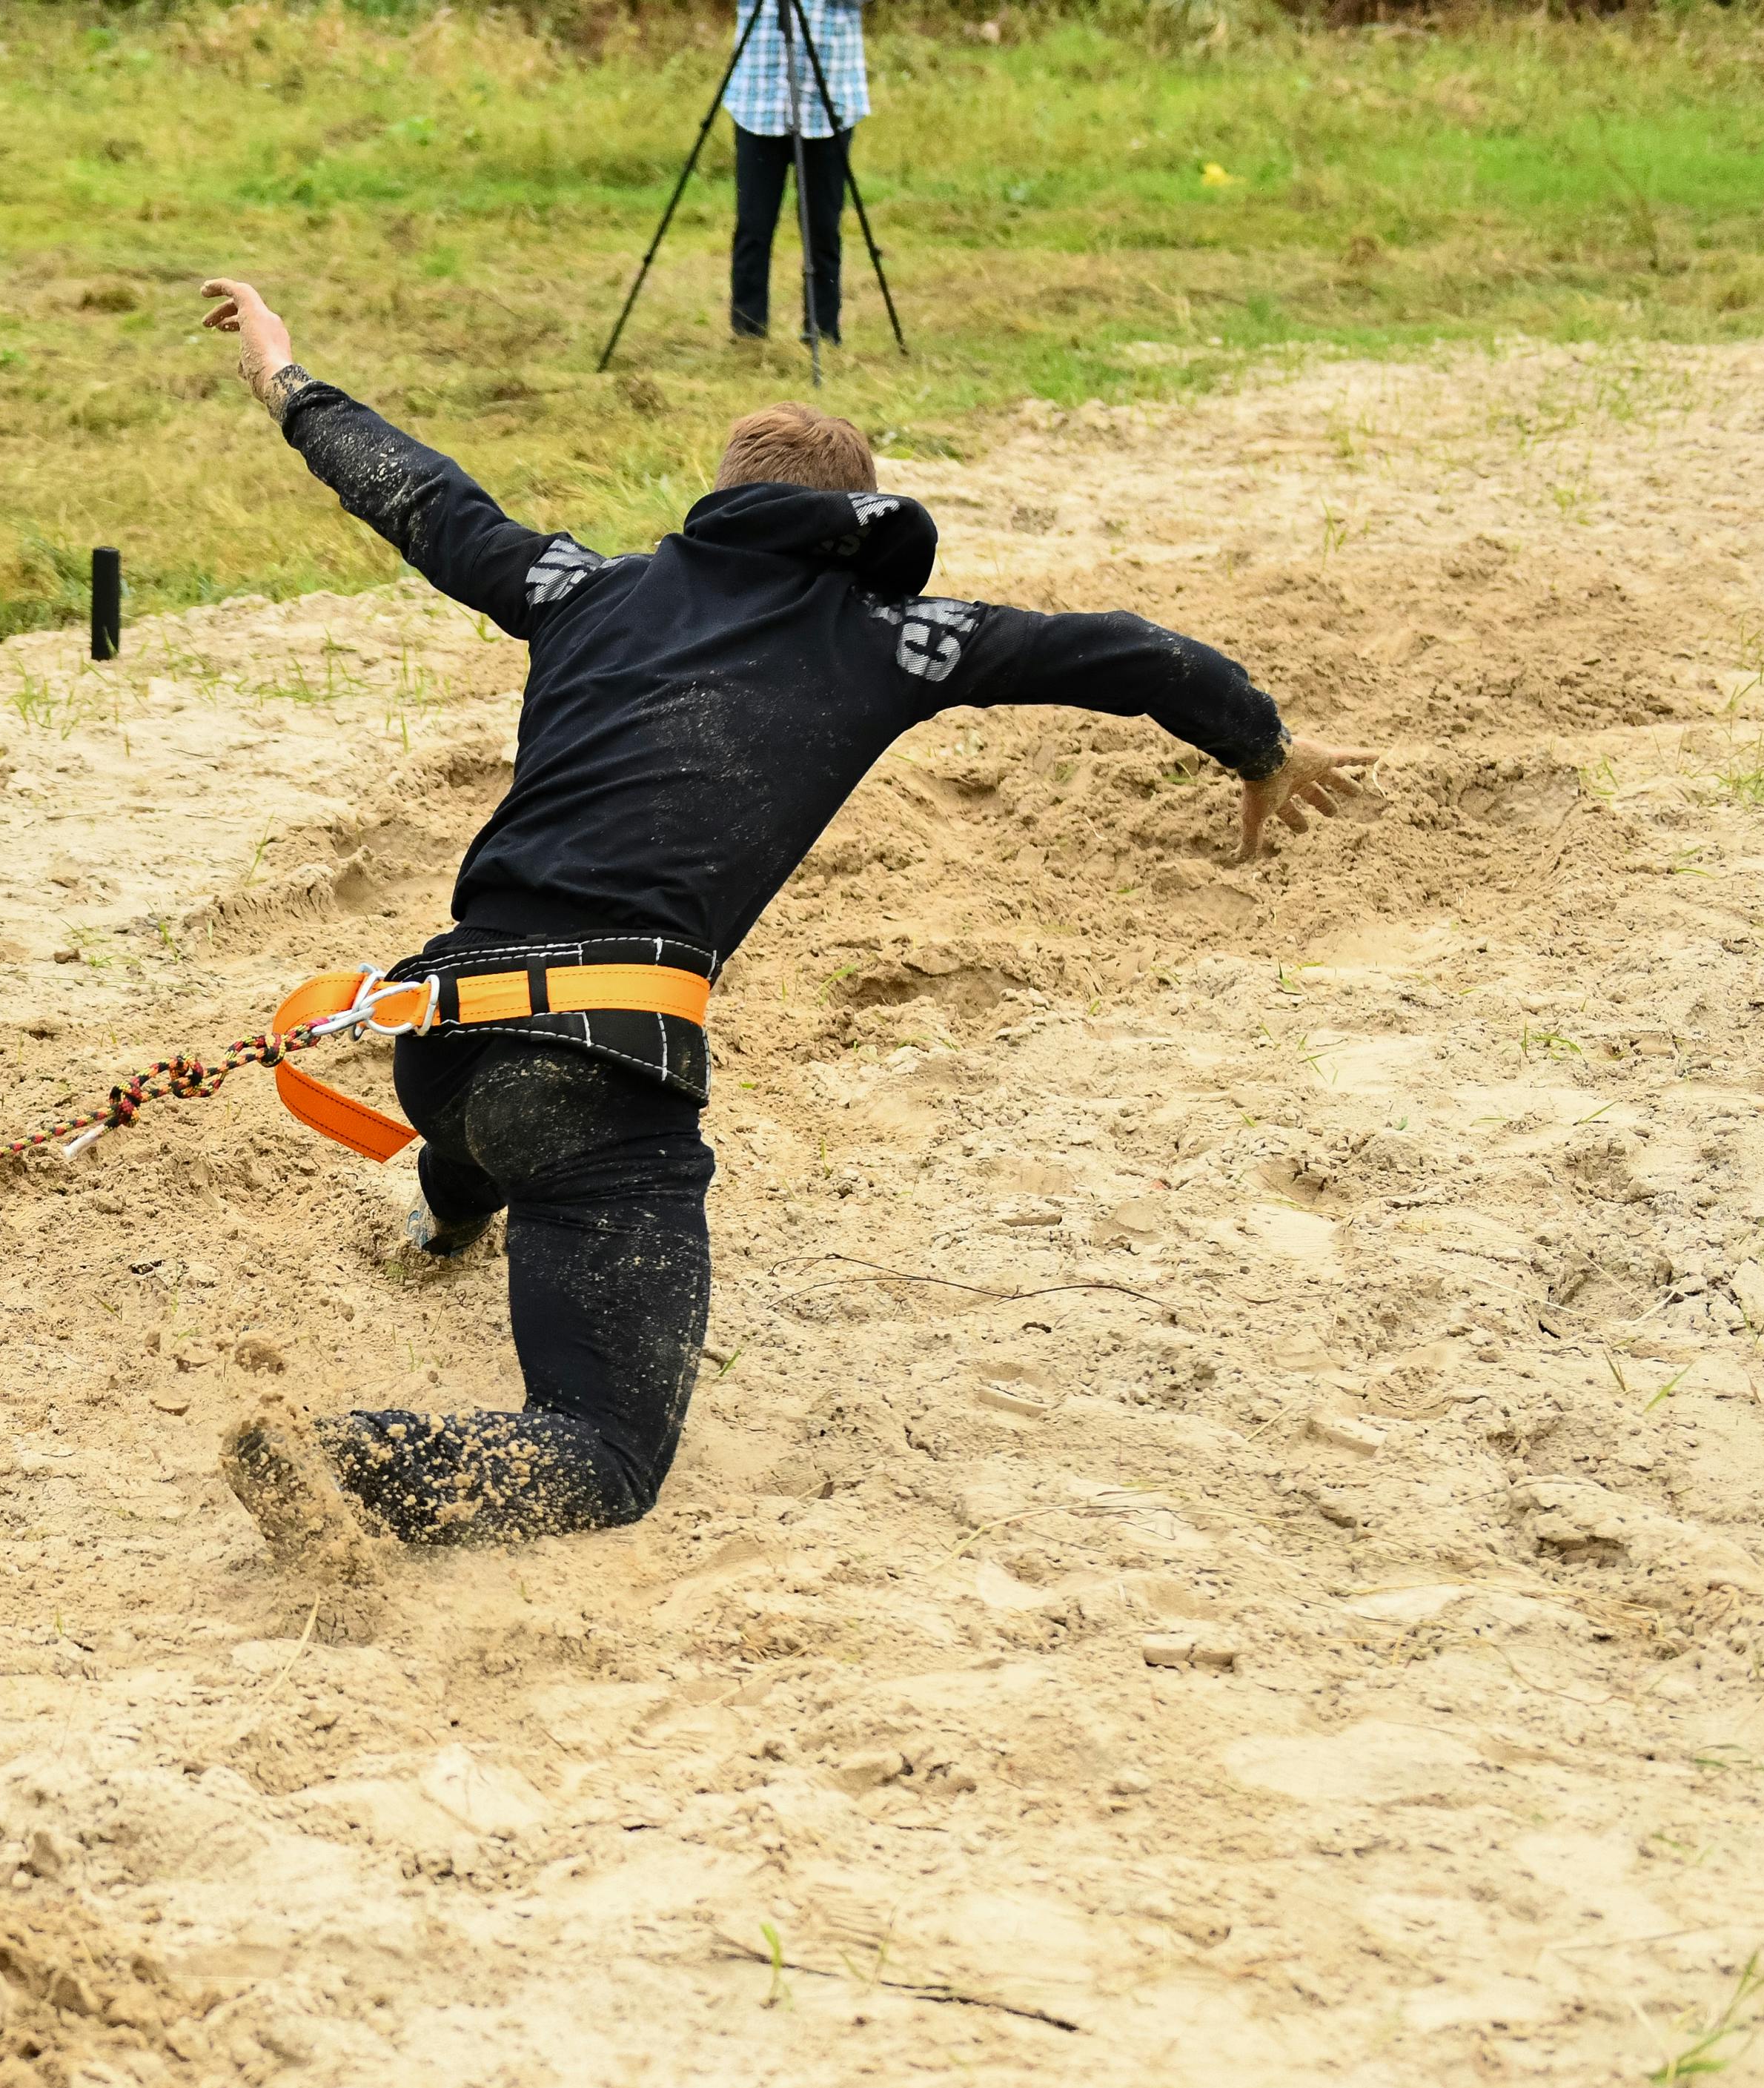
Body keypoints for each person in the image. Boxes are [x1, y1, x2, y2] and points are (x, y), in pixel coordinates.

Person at [193, 279, 1365, 1556]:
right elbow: (1131, 653)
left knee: (502, 1118)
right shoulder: (891, 641)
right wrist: (1262, 746)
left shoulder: (583, 589)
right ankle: (336, 1461)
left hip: (434, 1031)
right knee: (605, 1455)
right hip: (597, 1065)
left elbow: (421, 495)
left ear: (725, 497)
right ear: (856, 528)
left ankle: (447, 1208)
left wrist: (284, 377)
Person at [725, 0, 863, 344]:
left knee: (823, 227)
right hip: (759, 99)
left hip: (828, 97)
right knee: (753, 225)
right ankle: (748, 332)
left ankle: (822, 332)